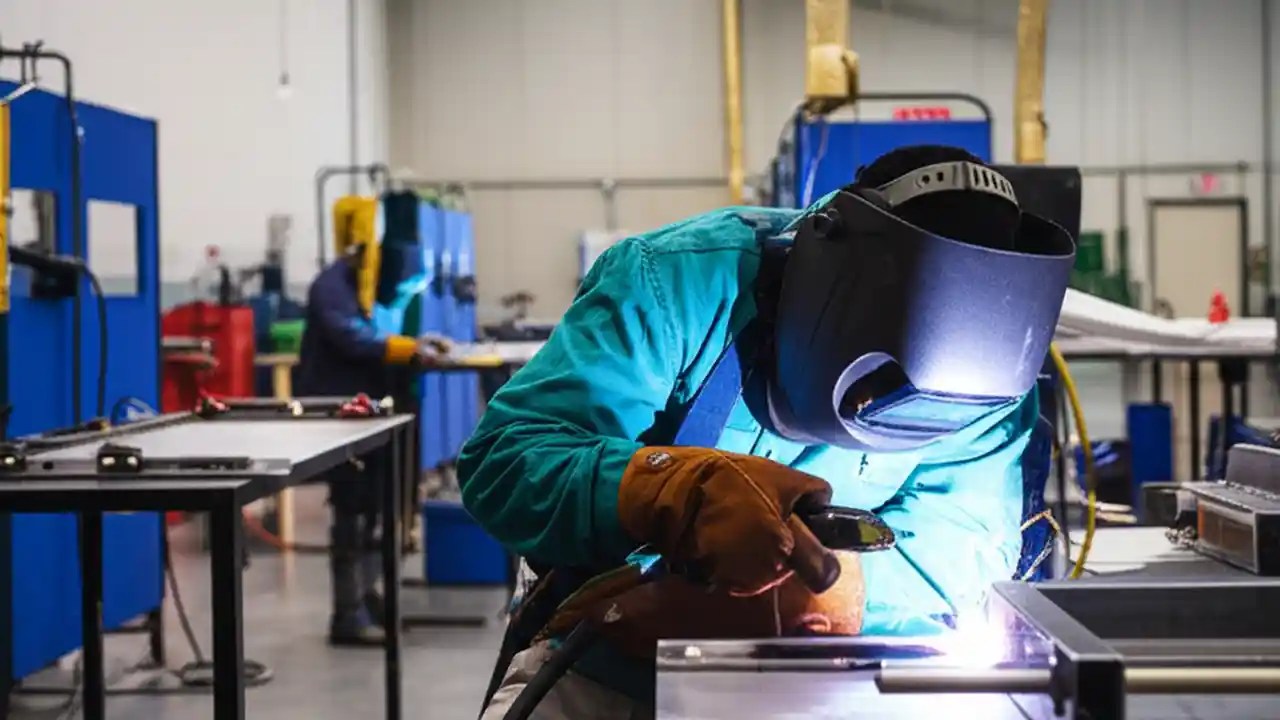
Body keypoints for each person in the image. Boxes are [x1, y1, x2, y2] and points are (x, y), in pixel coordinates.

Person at [458, 145, 1074, 717]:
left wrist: (834, 590)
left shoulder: (997, 364)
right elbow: (506, 460)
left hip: (846, 674)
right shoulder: (678, 284)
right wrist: (664, 491)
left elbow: (962, 550)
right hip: (616, 657)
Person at [297, 195, 450, 646]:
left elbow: (377, 329)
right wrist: (403, 349)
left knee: (377, 510)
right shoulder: (332, 285)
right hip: (341, 413)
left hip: (370, 411)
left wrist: (412, 342)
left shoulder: (364, 286)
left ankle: (368, 595)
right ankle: (346, 613)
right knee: (352, 510)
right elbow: (350, 335)